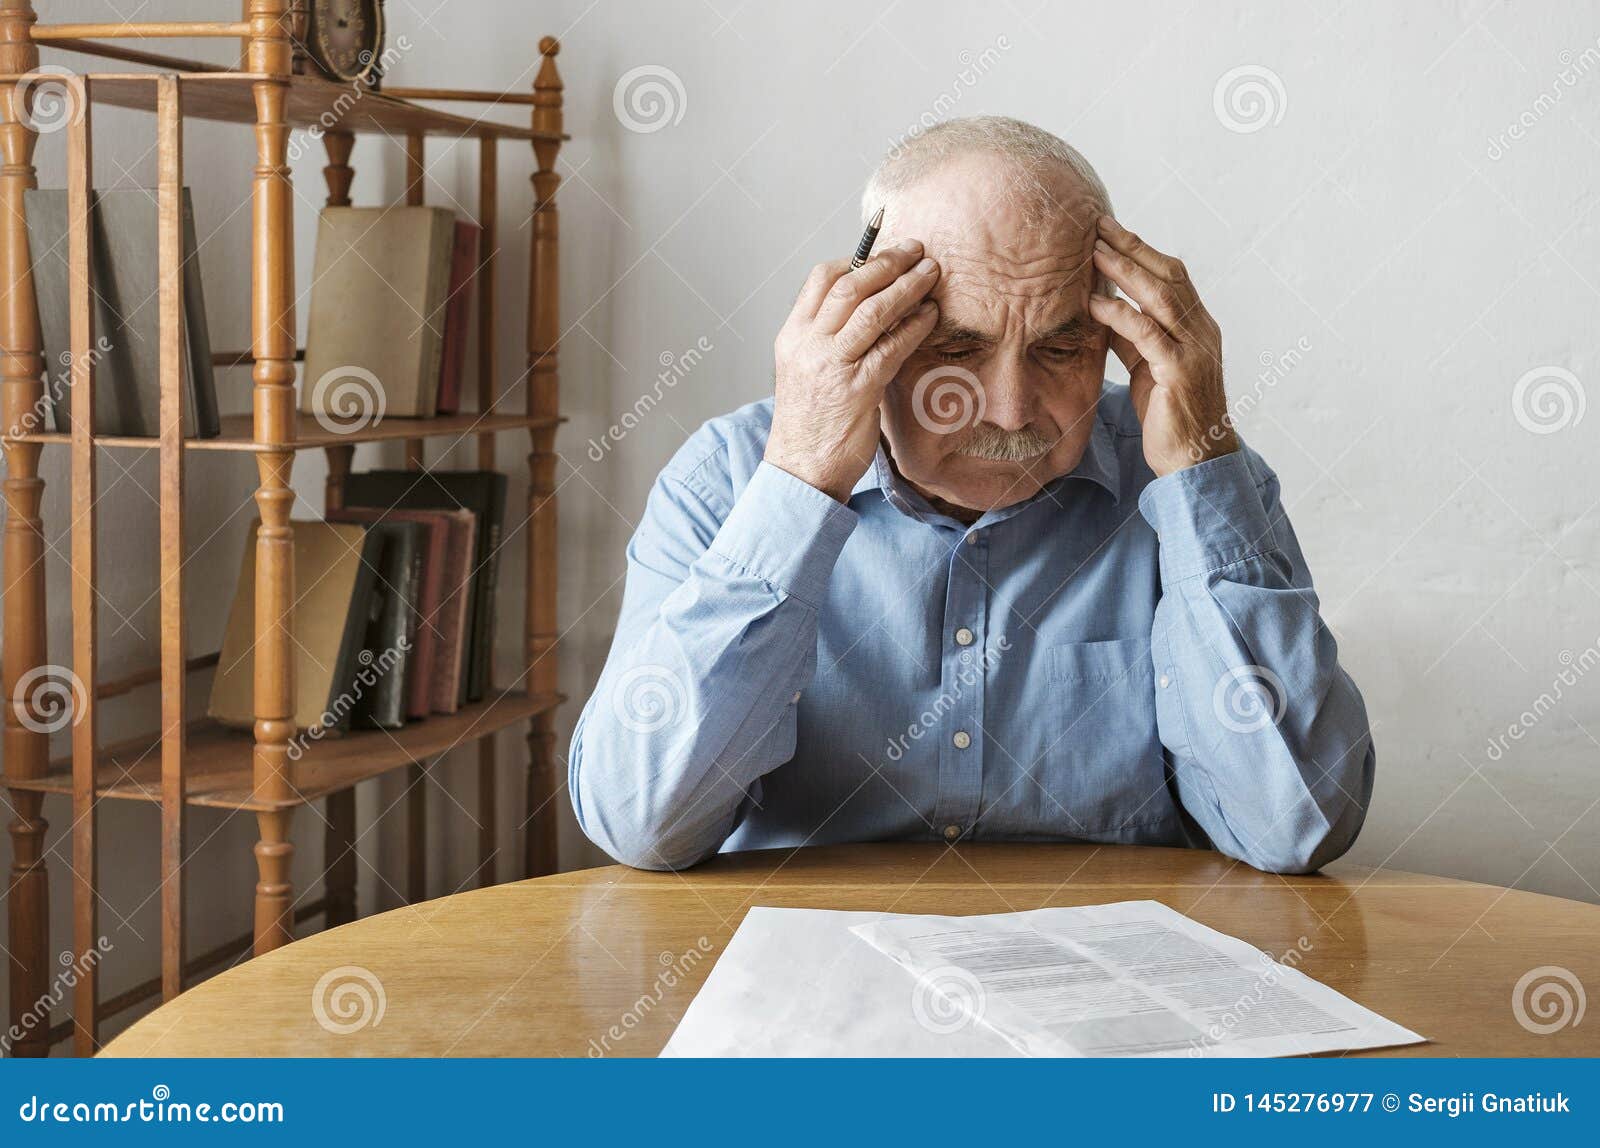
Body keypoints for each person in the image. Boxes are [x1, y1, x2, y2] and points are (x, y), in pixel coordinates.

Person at [570, 115, 1374, 875]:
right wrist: (801, 482)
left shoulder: (1196, 482)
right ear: (866, 325)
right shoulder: (727, 480)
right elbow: (644, 821)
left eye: (1062, 346)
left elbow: (1293, 826)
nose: (1012, 408)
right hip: (803, 983)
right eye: (957, 347)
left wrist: (1201, 473)